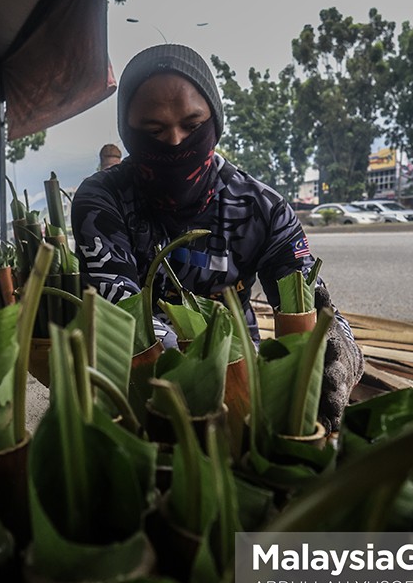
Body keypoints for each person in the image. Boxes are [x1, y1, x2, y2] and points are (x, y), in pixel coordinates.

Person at [71, 44, 363, 432]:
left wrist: (337, 354)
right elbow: (121, 323)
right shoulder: (102, 201)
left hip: (244, 386)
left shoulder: (263, 208)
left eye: (192, 126)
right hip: (138, 394)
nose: (175, 143)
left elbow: (317, 307)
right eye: (154, 131)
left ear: (215, 122)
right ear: (128, 133)